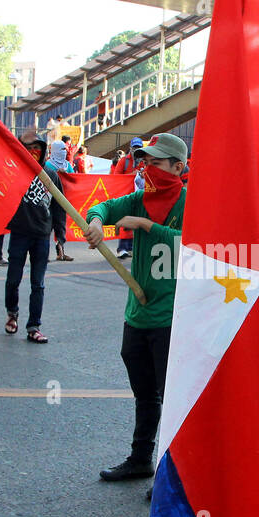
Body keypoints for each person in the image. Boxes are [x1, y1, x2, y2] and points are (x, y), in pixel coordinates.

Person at [84, 134, 189, 497]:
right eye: (145, 161)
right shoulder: (139, 199)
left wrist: (146, 227)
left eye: (157, 162)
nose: (148, 168)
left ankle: (173, 476)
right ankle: (141, 458)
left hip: (173, 318)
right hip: (137, 316)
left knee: (174, 399)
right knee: (145, 393)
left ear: (178, 167)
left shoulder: (192, 202)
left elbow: (192, 243)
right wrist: (96, 222)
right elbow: (103, 208)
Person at [4, 130, 60, 343]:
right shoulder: (14, 172)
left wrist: (60, 237)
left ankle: (33, 326)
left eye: (37, 148)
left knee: (38, 283)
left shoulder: (51, 175)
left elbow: (59, 206)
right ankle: (12, 312)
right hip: (19, 233)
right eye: (28, 148)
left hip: (42, 237)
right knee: (13, 280)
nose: (33, 152)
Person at [111, 138, 142, 259]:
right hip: (125, 196)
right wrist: (132, 175)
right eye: (135, 148)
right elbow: (116, 178)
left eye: (139, 148)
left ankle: (131, 248)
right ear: (130, 148)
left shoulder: (144, 161)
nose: (137, 150)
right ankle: (122, 248)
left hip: (138, 197)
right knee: (125, 222)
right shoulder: (124, 161)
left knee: (135, 222)